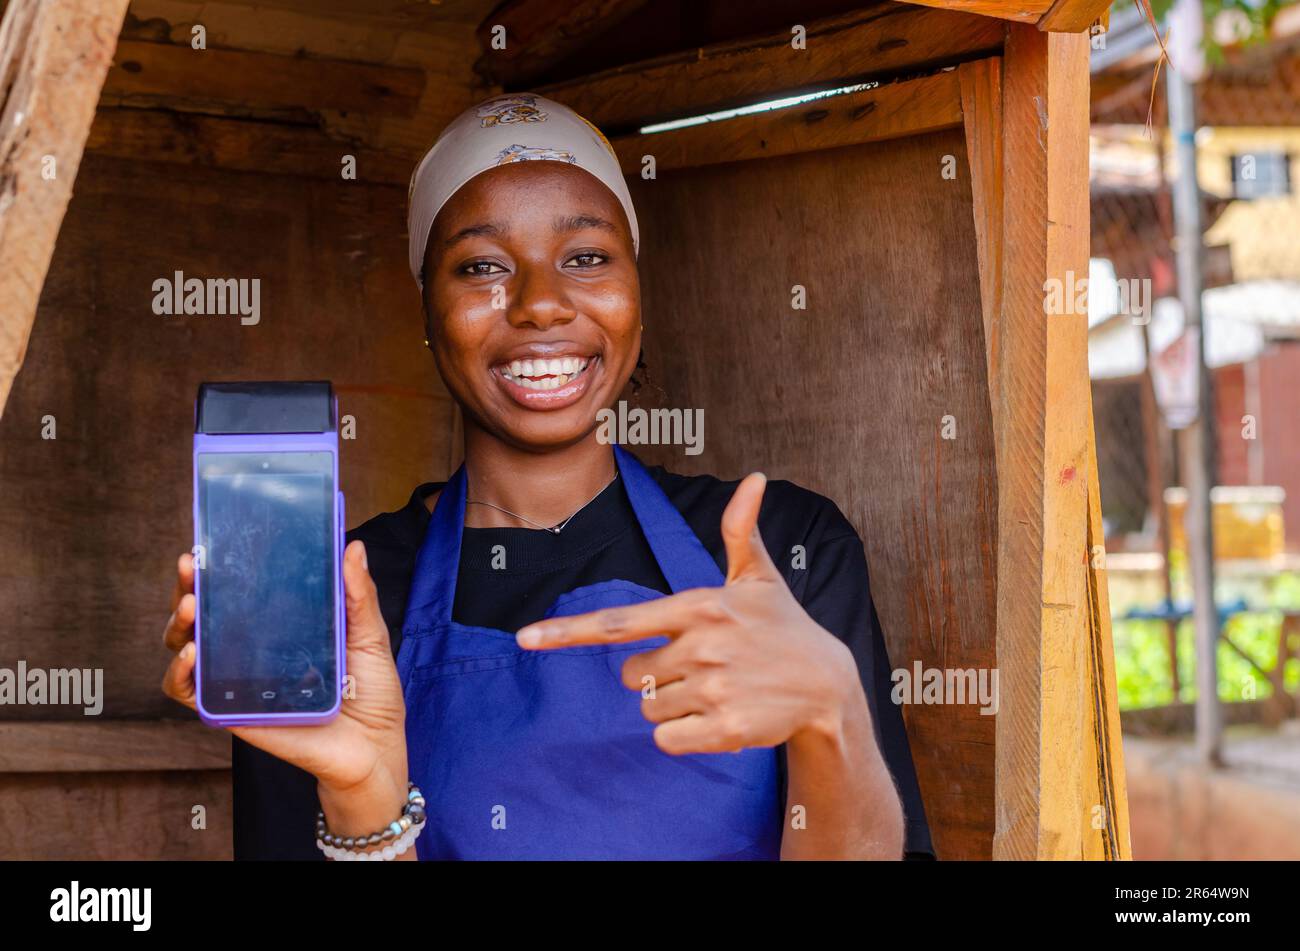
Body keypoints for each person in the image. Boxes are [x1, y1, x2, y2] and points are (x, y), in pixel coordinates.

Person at [162, 93, 933, 861]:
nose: (539, 304)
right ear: (429, 311)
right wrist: (366, 799)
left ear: (637, 290)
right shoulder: (337, 600)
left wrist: (833, 712)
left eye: (587, 257)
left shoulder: (782, 547)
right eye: (483, 266)